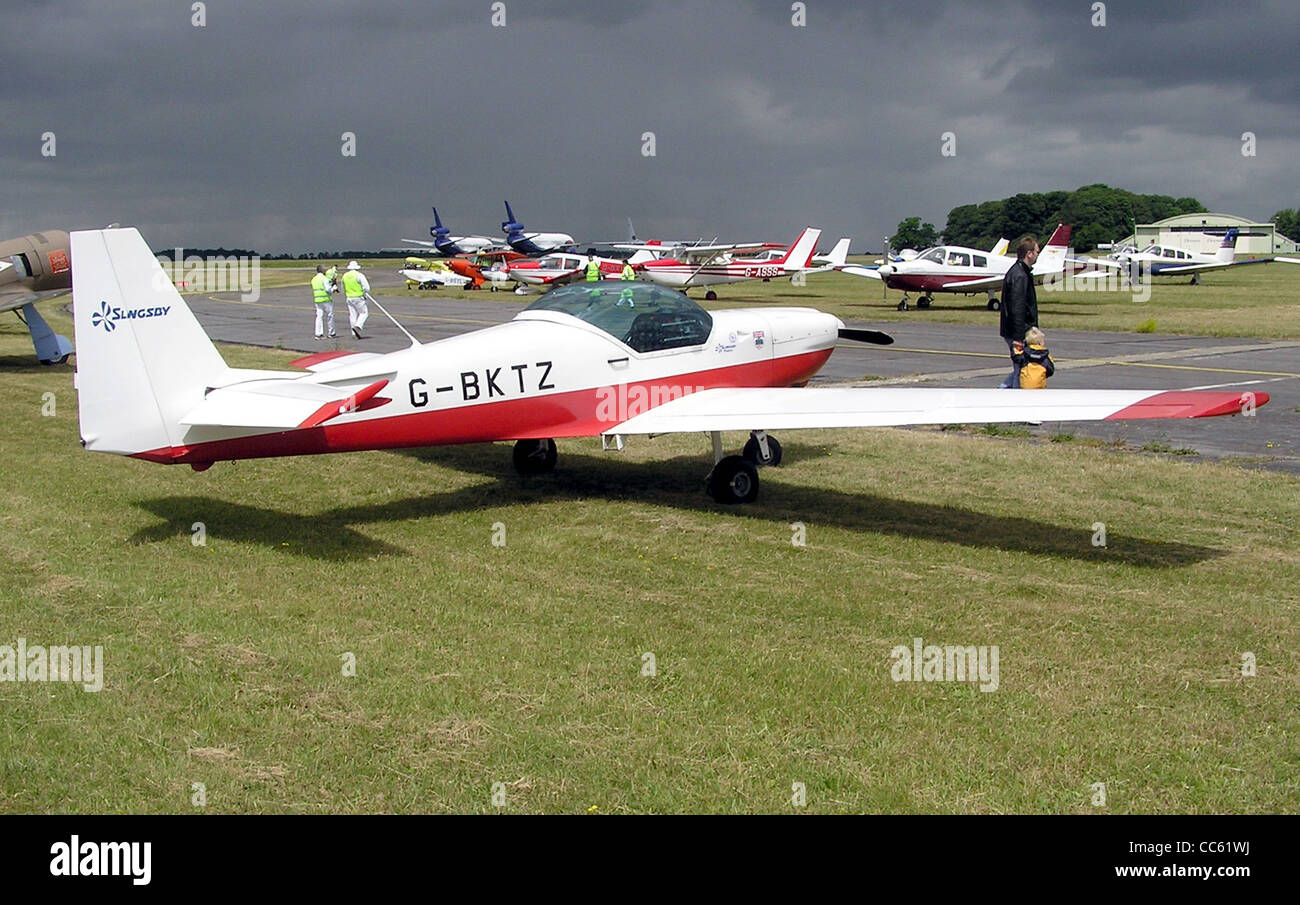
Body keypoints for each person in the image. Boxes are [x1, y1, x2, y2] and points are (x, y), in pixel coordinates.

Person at [998, 235, 1039, 388]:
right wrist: (1018, 338)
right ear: (1029, 253)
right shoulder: (1020, 275)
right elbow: (1017, 307)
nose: (1037, 255)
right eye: (1036, 252)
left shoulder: (1020, 272)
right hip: (1018, 332)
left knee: (1021, 367)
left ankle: (1001, 392)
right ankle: (1011, 397)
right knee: (1021, 369)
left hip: (1017, 330)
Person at [341, 260, 370, 339]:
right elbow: (367, 287)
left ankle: (354, 333)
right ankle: (358, 326)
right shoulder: (359, 275)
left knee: (353, 315)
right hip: (358, 297)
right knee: (364, 313)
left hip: (349, 297)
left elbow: (342, 288)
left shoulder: (345, 276)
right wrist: (365, 294)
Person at [310, 264, 335, 339]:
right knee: (330, 315)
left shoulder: (314, 279)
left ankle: (318, 333)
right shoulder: (324, 279)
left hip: (317, 299)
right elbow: (328, 289)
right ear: (322, 270)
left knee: (319, 316)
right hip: (326, 299)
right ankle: (331, 332)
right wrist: (333, 289)